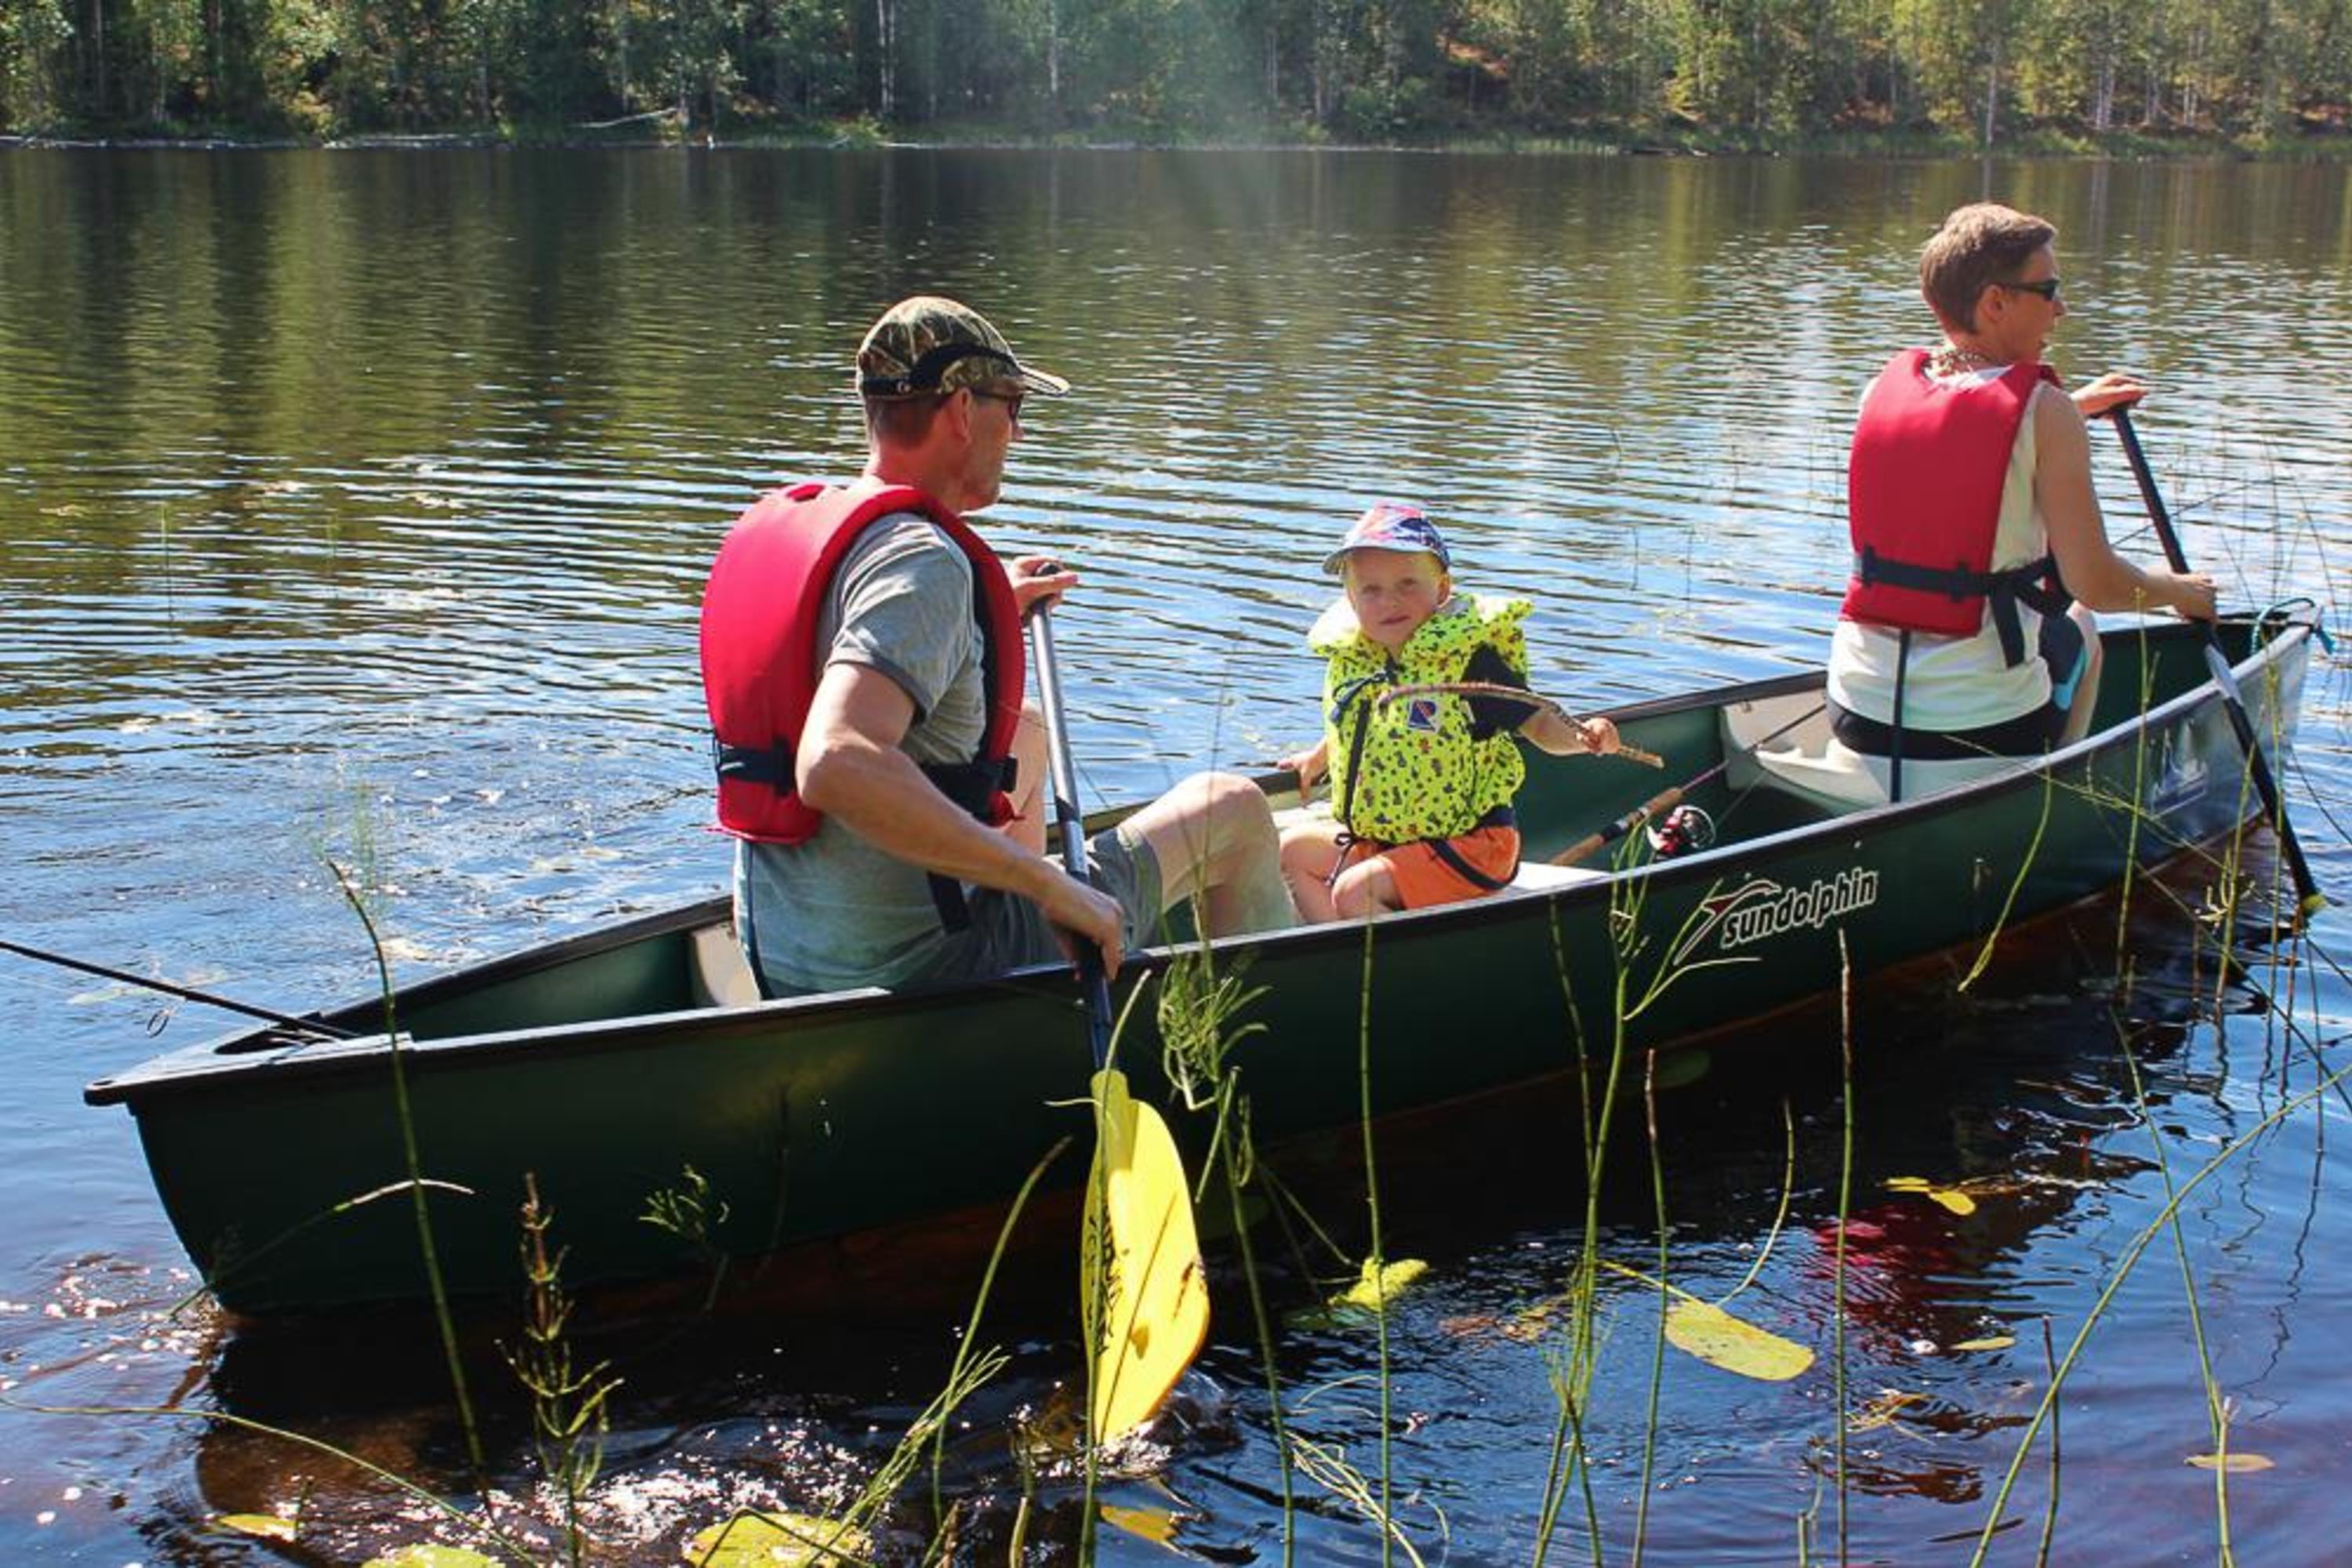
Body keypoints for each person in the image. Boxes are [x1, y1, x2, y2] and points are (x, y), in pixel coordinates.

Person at [699, 296, 1294, 996]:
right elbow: (835, 761)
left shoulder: (825, 535)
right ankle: (1255, 1055)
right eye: (1012, 407)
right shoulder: (925, 564)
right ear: (959, 411)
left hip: (787, 959)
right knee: (1233, 806)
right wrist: (1045, 883)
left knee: (1027, 735)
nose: (1015, 431)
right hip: (925, 971)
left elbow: (835, 656)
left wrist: (989, 611)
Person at [1827, 201, 2217, 802]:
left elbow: (1960, 432)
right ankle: (2049, 791)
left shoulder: (1880, 390)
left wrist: (2071, 412)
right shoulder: (2045, 414)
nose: (2061, 309)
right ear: (1995, 303)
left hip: (1855, 709)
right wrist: (2179, 591)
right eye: (2050, 290)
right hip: (1977, 729)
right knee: (2080, 624)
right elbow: (2099, 585)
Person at [1276, 502, 1621, 923]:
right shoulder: (1361, 661)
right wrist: (1319, 757)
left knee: (1354, 890)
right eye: (1371, 589)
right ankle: (1337, 957)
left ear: (1441, 591)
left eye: (1407, 584)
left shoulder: (1468, 663)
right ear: (1351, 599)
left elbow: (1536, 722)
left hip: (1471, 844)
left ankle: (1390, 979)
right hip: (1391, 840)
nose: (1390, 601)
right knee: (1293, 852)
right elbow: (1367, 728)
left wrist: (1583, 736)